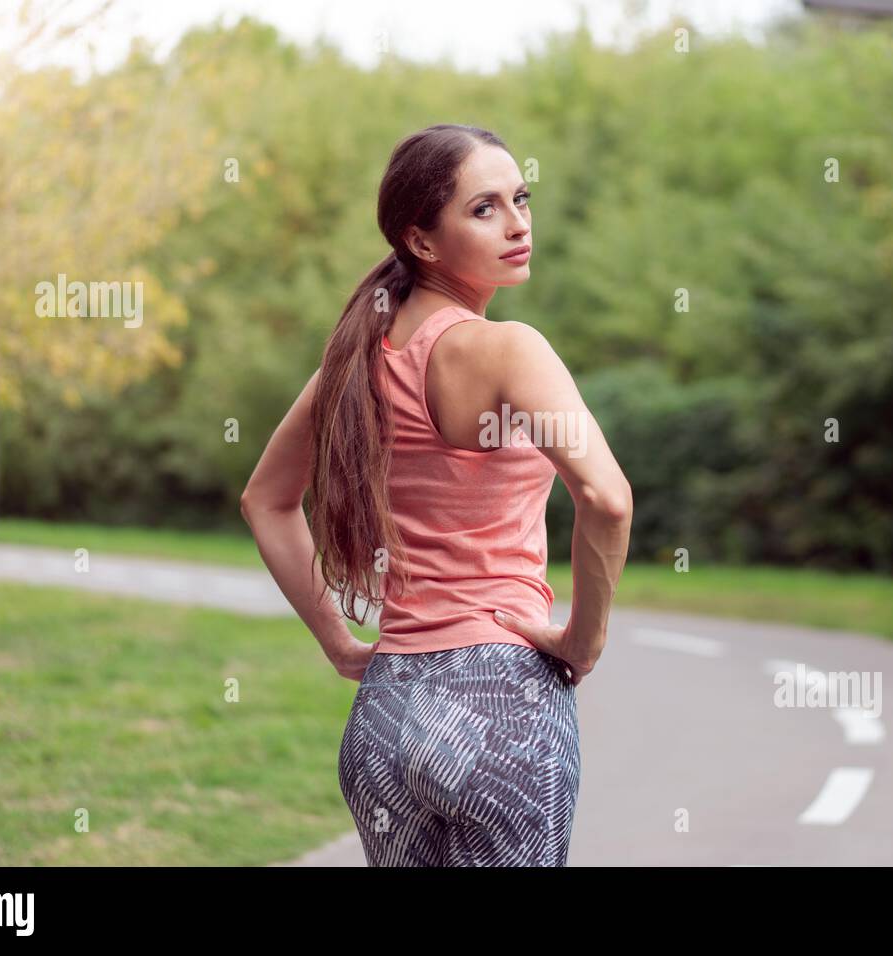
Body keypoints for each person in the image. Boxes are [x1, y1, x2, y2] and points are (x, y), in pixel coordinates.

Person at [241, 123, 632, 866]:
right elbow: (607, 499)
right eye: (483, 209)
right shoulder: (511, 351)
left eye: (521, 198)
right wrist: (586, 637)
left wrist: (338, 645)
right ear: (422, 241)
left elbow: (265, 499)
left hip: (384, 715)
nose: (518, 224)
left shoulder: (349, 367)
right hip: (503, 705)